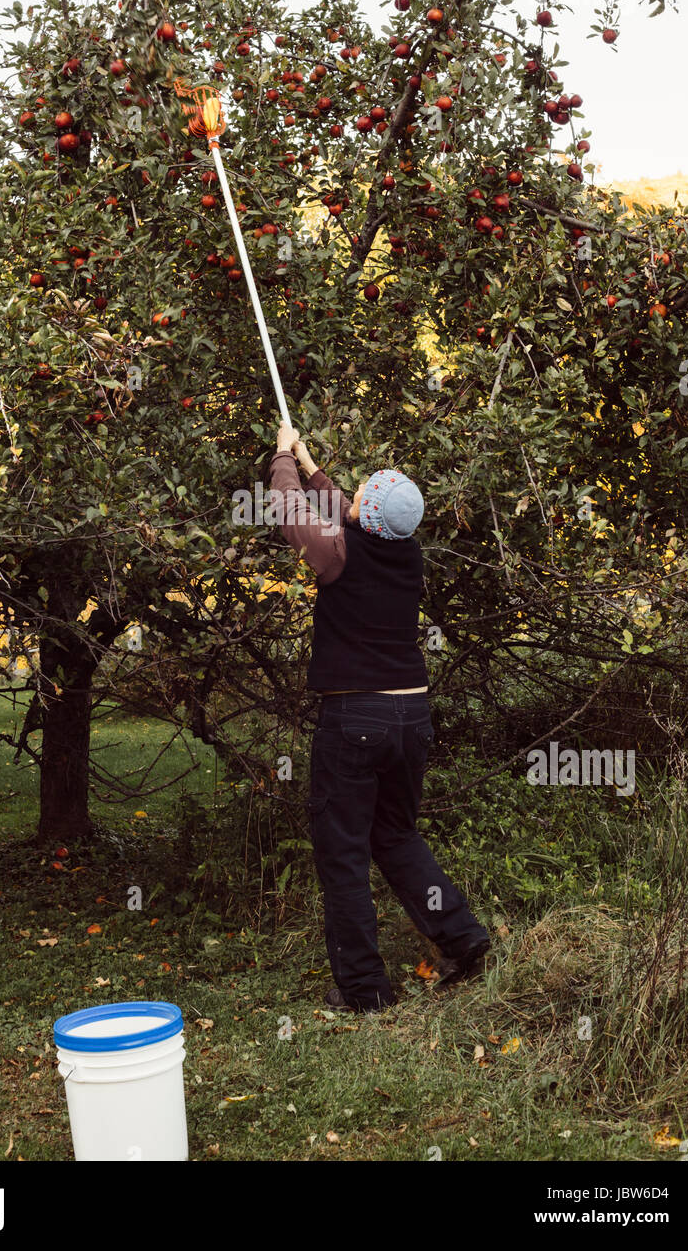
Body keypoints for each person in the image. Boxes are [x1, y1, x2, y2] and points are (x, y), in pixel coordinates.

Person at [267, 422, 490, 1013]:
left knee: (342, 851)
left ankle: (364, 989)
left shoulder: (338, 552)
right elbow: (340, 507)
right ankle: (463, 939)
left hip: (356, 717)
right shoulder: (403, 549)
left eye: (363, 492)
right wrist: (311, 461)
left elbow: (293, 515)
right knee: (395, 835)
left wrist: (281, 458)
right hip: (410, 714)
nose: (354, 496)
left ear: (366, 513)